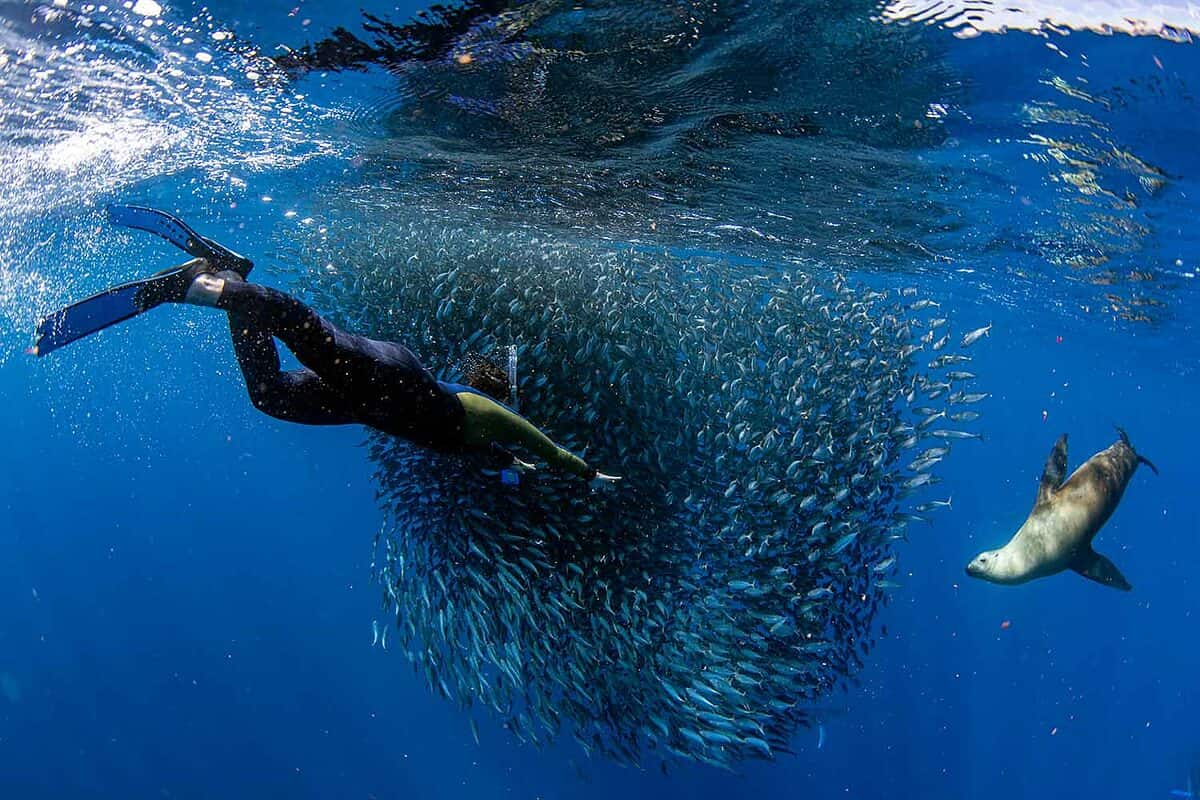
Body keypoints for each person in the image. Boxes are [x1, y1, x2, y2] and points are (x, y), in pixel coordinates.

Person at [34, 206, 618, 483]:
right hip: (390, 381)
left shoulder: (482, 446)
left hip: (369, 405)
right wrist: (571, 463)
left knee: (270, 396)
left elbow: (502, 449)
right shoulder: (479, 412)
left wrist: (515, 467)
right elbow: (507, 422)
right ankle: (206, 286)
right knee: (302, 332)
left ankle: (230, 275)